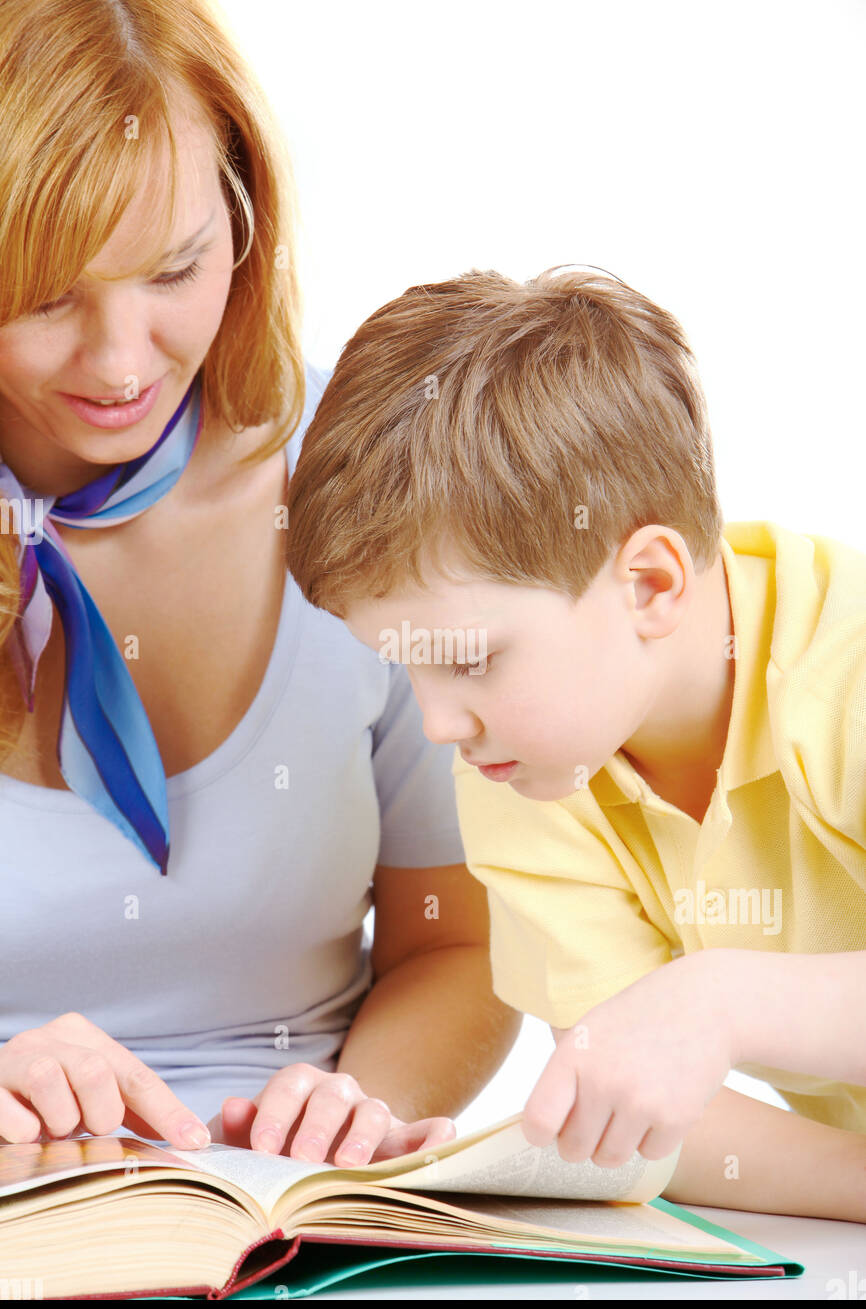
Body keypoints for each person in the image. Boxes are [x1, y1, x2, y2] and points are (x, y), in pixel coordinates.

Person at [0, 0, 520, 1165]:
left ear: (244, 212)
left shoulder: (370, 477)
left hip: (287, 1219)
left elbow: (460, 938)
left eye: (174, 268)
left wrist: (357, 1113)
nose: (124, 362)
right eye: (44, 297)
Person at [283, 264, 866, 1222]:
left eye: (471, 662)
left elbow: (690, 1039)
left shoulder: (838, 681)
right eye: (409, 668)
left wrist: (724, 999)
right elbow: (656, 1124)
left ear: (649, 584)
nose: (436, 725)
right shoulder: (531, 772)